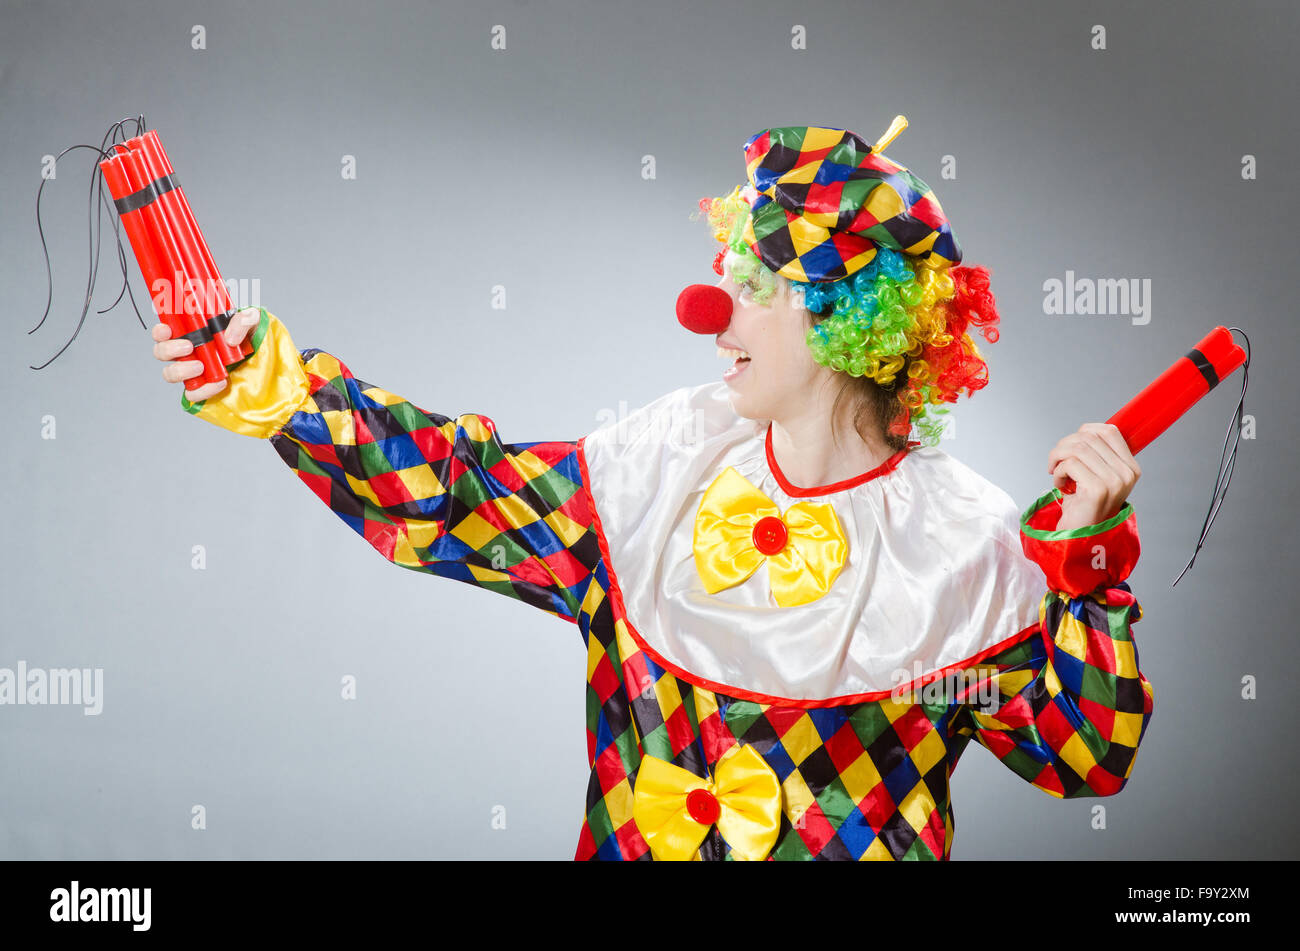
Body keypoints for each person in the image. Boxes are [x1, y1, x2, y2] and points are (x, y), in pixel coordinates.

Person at [150, 121, 1150, 861]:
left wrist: (1090, 566)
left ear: (853, 319)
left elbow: (1082, 759)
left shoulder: (969, 544)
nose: (713, 314)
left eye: (755, 287)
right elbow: (459, 495)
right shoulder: (664, 467)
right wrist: (280, 392)